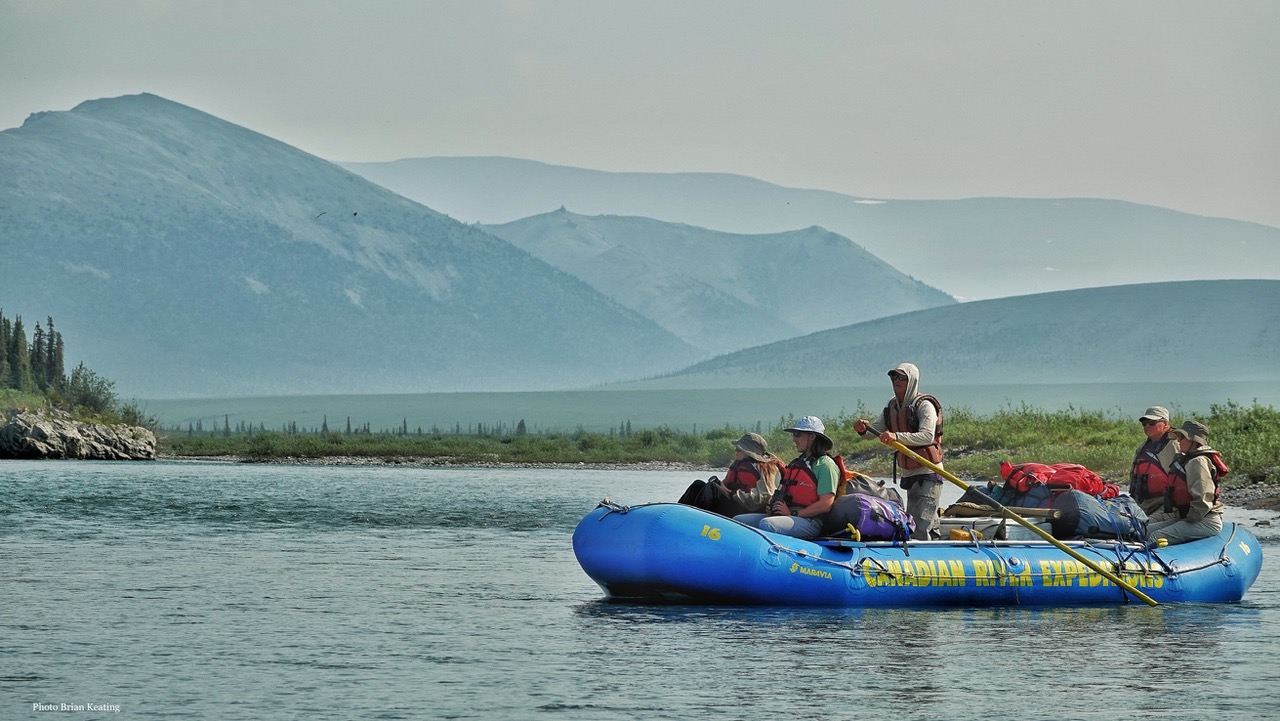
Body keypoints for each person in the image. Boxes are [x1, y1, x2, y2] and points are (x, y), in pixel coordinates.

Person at [853, 362, 944, 540]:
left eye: (902, 377)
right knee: (921, 519)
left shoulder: (925, 405)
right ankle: (937, 544)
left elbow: (927, 436)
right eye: (894, 376)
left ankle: (923, 557)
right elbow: (874, 431)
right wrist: (863, 429)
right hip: (910, 473)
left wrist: (897, 437)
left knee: (919, 523)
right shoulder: (892, 406)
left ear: (912, 381)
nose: (897, 380)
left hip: (929, 471)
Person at [733, 416, 839, 539]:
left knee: (767, 524)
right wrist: (772, 507)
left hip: (810, 521)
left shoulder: (825, 465)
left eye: (797, 434)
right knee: (738, 521)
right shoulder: (798, 463)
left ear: (812, 436)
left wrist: (793, 513)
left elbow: (826, 504)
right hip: (787, 515)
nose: (794, 439)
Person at [1145, 420, 1226, 546]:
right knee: (1145, 530)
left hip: (1205, 521)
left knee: (1156, 536)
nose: (1178, 441)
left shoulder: (1198, 462)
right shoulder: (1190, 459)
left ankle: (1146, 562)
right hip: (1188, 517)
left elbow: (1204, 499)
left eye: (1182, 437)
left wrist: (1187, 520)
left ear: (1194, 440)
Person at [677, 432, 785, 517]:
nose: (735, 451)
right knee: (698, 484)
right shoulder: (738, 464)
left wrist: (732, 493)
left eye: (739, 449)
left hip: (749, 508)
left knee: (712, 488)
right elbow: (726, 484)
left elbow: (763, 497)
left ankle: (696, 519)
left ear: (748, 452)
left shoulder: (768, 468)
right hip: (735, 502)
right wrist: (721, 486)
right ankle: (677, 513)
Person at [1128, 405, 1180, 515]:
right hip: (1141, 504)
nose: (1147, 426)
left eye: (1152, 422)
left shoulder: (1175, 445)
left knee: (1141, 529)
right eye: (1144, 423)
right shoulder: (1143, 447)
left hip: (1165, 504)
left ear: (1165, 424)